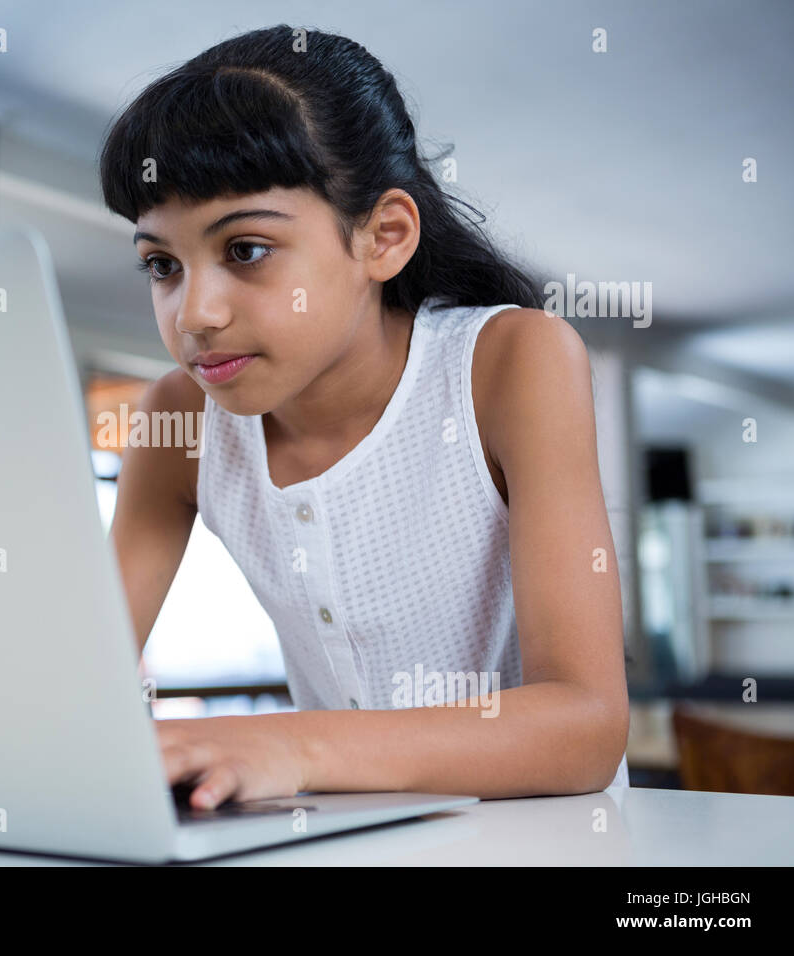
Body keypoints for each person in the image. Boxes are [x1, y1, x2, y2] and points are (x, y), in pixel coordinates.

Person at [99, 24, 630, 809]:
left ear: (383, 237)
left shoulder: (513, 363)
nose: (195, 315)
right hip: (347, 839)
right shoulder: (181, 417)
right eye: (162, 266)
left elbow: (584, 725)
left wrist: (285, 743)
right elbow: (78, 683)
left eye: (245, 250)